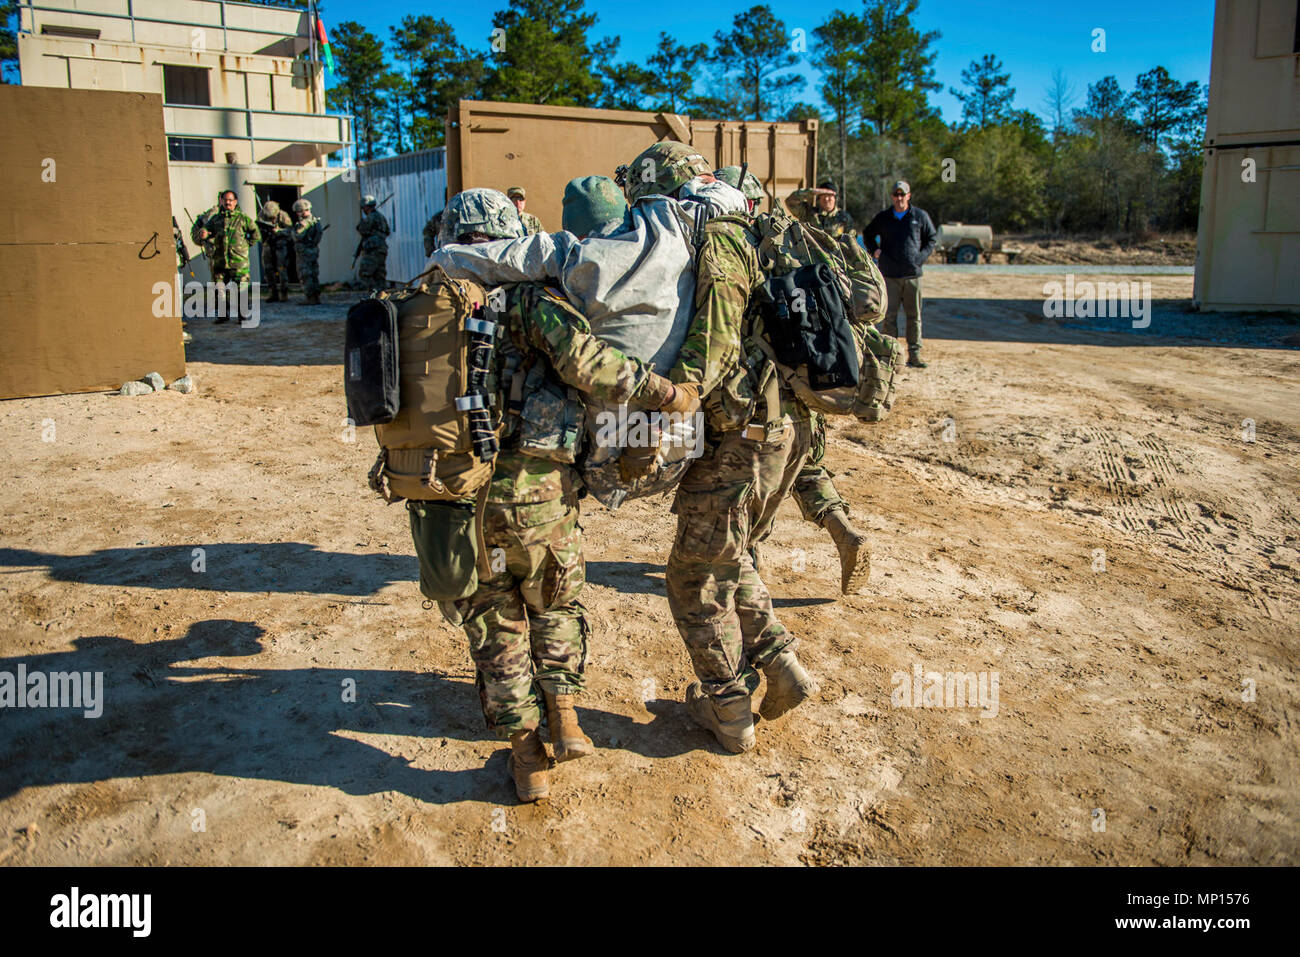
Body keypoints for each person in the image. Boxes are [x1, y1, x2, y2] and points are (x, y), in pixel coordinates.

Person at [414, 188, 697, 802]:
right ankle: (566, 717)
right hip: (536, 489)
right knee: (554, 603)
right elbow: (588, 363)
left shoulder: (418, 302)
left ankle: (526, 758)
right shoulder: (526, 296)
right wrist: (667, 395)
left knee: (495, 622)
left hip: (452, 493)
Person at [717, 167, 875, 596]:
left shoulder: (732, 246)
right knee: (805, 465)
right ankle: (842, 528)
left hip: (762, 394)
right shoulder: (792, 239)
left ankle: (750, 567)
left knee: (749, 484)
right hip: (809, 383)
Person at [864, 180, 936, 368]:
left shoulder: (919, 216)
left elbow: (932, 239)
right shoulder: (884, 217)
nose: (899, 198)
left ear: (909, 196)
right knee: (889, 317)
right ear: (892, 197)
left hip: (912, 275)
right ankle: (889, 354)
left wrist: (920, 258)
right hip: (890, 275)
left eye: (902, 195)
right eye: (896, 195)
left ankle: (915, 353)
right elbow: (867, 233)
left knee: (914, 316)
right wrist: (875, 251)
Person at [190, 189, 258, 322]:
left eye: (230, 200)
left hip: (239, 262)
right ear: (221, 201)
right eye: (225, 200)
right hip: (220, 261)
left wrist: (243, 247)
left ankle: (242, 315)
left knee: (241, 289)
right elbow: (205, 230)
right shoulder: (216, 218)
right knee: (219, 288)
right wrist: (203, 232)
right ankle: (222, 315)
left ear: (235, 201)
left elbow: (256, 235)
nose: (227, 202)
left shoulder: (243, 218)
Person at [786, 178, 857, 242]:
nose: (826, 199)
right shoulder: (808, 213)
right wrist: (812, 192)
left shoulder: (844, 218)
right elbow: (791, 201)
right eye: (823, 195)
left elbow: (851, 241)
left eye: (829, 196)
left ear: (835, 198)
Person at [256, 200, 293, 302]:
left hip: (280, 244)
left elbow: (291, 230)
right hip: (267, 244)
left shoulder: (283, 215)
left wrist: (279, 231)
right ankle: (273, 293)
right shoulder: (262, 214)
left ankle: (284, 293)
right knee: (268, 269)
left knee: (282, 269)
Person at [290, 198, 324, 304]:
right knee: (313, 273)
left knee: (305, 274)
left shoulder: (304, 223)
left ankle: (310, 297)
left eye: (298, 212)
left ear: (302, 210)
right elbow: (319, 235)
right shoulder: (315, 221)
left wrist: (291, 231)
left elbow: (297, 237)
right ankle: (316, 296)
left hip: (304, 253)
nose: (297, 214)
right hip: (313, 250)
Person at [355, 195, 390, 291]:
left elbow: (362, 230)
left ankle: (374, 293)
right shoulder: (381, 217)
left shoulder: (370, 218)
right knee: (379, 274)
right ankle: (381, 294)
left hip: (373, 250)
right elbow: (387, 231)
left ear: (366, 207)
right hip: (382, 249)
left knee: (365, 273)